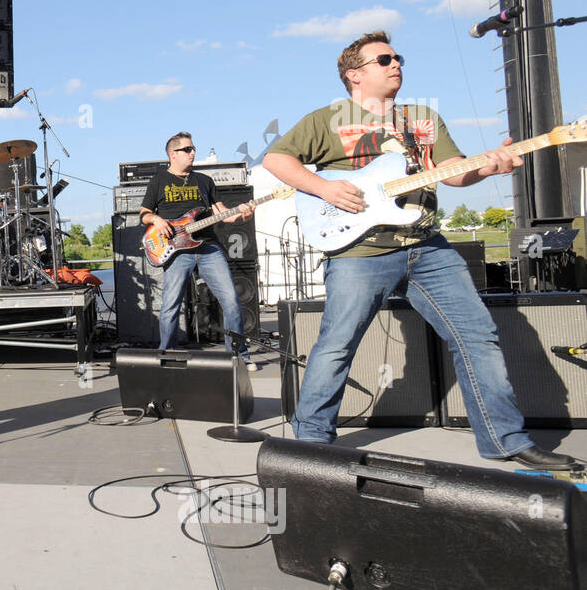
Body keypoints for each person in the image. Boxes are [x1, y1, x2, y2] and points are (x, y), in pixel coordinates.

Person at [262, 29, 576, 468]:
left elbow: (452, 172)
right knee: (337, 344)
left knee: (477, 337)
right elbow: (276, 159)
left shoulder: (421, 117)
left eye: (398, 58)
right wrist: (326, 189)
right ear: (355, 75)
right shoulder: (326, 119)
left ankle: (507, 440)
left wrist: (486, 168)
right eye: (385, 59)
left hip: (428, 246)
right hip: (360, 251)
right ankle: (311, 444)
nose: (396, 65)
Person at [139, 132, 256, 368]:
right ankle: (167, 354)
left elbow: (222, 213)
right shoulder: (159, 181)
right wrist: (157, 220)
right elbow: (144, 214)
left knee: (231, 300)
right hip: (177, 248)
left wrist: (242, 214)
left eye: (193, 149)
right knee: (171, 304)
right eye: (187, 149)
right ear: (172, 154)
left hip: (208, 246)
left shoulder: (204, 181)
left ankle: (238, 356)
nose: (193, 153)